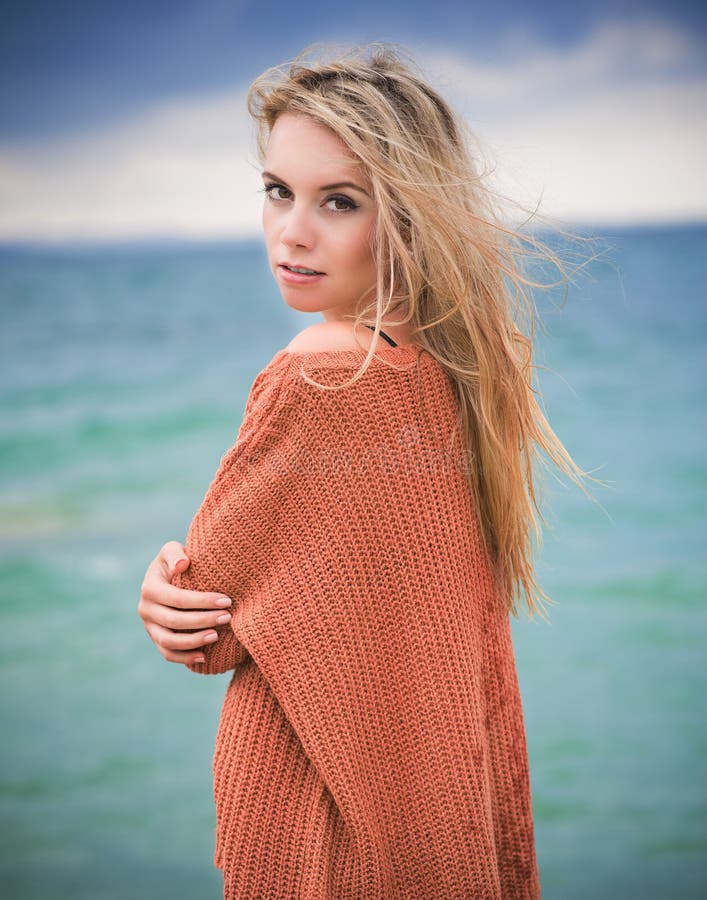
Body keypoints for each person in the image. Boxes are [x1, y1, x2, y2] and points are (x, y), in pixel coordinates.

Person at [138, 43, 599, 899]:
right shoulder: (457, 372)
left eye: (338, 202)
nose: (291, 231)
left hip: (327, 833)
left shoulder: (319, 373)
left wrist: (162, 586)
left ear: (408, 218)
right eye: (277, 191)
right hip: (432, 822)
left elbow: (210, 631)